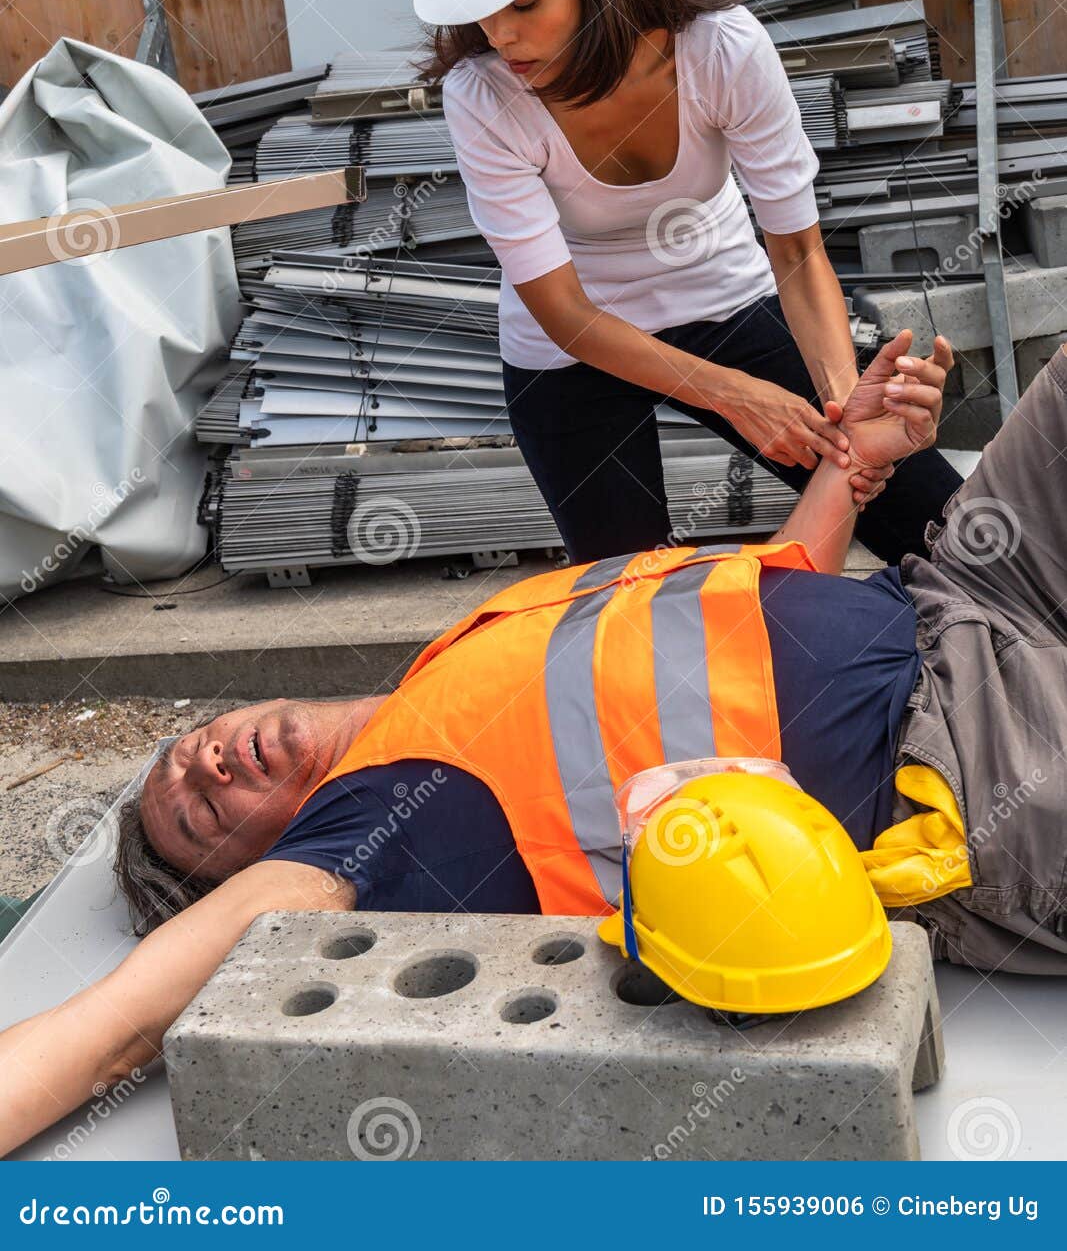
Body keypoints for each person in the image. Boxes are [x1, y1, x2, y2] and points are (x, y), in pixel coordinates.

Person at [5, 327, 1067, 1158]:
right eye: (201, 814)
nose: (204, 764)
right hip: (968, 764)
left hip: (956, 590)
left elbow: (746, 605)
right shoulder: (366, 829)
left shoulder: (453, 658)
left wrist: (850, 466)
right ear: (257, 874)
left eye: (185, 752)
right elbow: (108, 1028)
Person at [412, 0, 964, 567]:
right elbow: (564, 314)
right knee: (626, 602)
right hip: (569, 349)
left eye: (525, 2)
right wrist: (730, 394)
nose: (500, 35)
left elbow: (798, 253)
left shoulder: (721, 51)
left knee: (954, 541)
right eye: (481, 12)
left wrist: (848, 412)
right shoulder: (481, 96)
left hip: (722, 296)